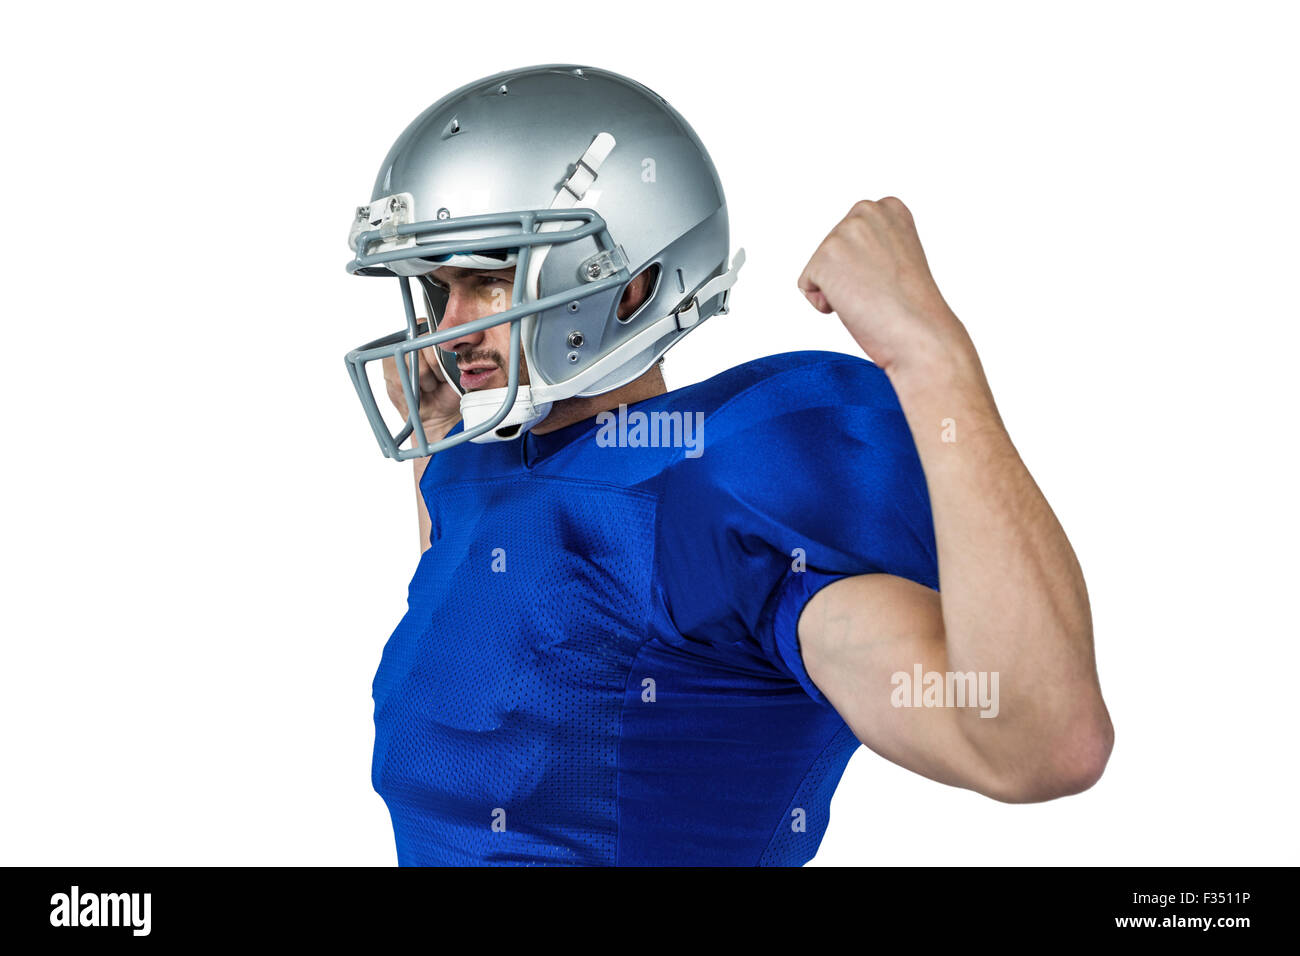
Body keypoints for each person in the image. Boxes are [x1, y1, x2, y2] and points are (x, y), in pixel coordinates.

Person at [343, 64, 1113, 866]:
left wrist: (931, 358)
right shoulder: (490, 468)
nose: (449, 328)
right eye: (438, 289)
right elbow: (508, 629)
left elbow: (1036, 742)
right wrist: (437, 437)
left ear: (632, 286)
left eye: (490, 282)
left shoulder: (720, 487)